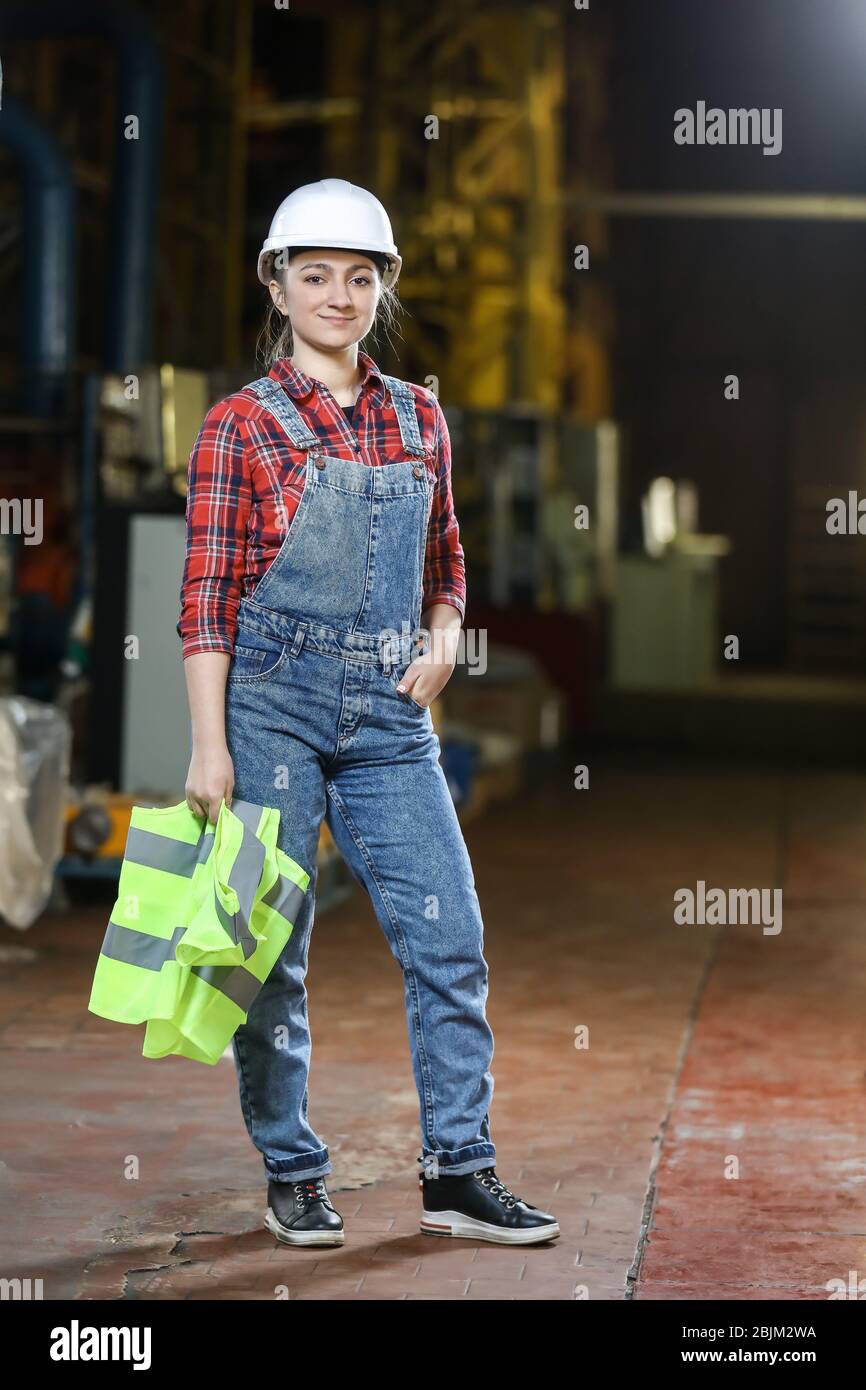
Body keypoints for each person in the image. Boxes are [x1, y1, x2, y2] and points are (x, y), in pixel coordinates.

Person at [177, 178, 559, 1247]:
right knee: (266, 948)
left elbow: (447, 558)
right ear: (279, 284)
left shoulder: (417, 413)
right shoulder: (238, 426)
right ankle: (292, 1167)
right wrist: (209, 746)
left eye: (358, 277)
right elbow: (204, 598)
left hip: (391, 713)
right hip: (270, 707)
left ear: (380, 287)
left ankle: (457, 1170)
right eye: (314, 276)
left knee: (450, 936)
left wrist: (445, 631)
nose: (337, 296)